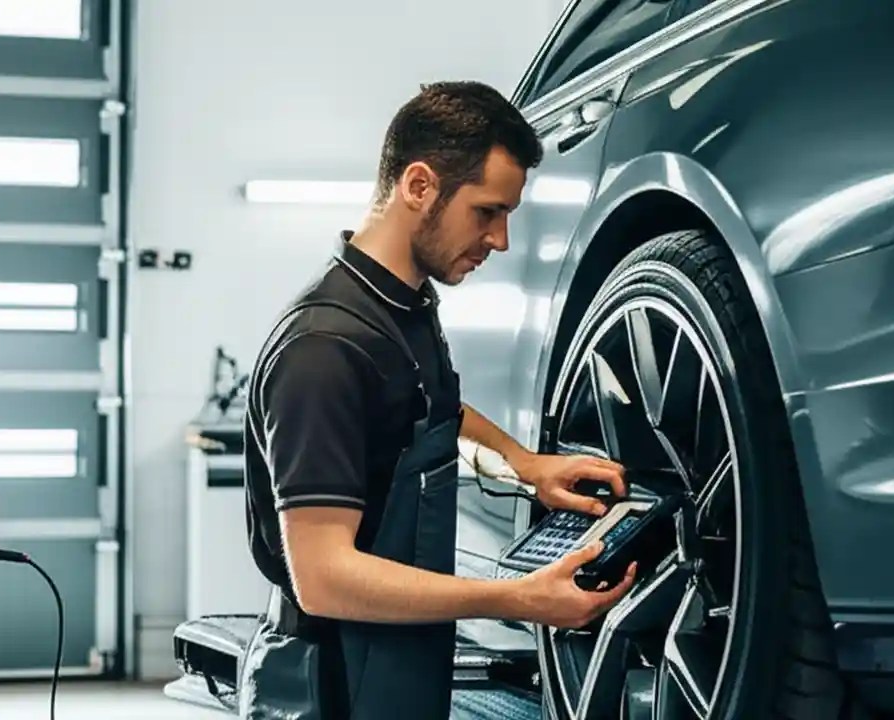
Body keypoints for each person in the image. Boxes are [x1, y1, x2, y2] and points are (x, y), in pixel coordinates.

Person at [239, 80, 637, 720]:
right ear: (419, 186)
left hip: (397, 665)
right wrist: (516, 598)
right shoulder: (323, 350)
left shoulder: (402, 309)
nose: (500, 239)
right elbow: (324, 577)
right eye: (487, 212)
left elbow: (431, 410)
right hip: (330, 686)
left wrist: (526, 466)